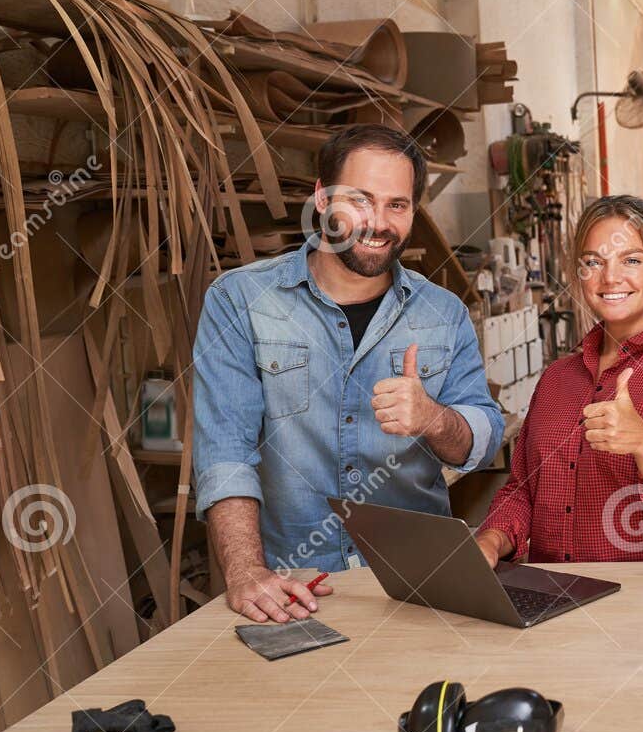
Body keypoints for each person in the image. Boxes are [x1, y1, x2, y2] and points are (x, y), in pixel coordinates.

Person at [193, 124, 503, 623]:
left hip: (419, 585)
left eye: (397, 205)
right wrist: (246, 571)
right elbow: (224, 450)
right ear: (320, 197)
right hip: (294, 586)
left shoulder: (443, 312)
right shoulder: (241, 301)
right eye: (360, 200)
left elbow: (482, 441)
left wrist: (432, 418)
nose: (377, 222)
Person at [475, 196, 643, 565]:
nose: (610, 278)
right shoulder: (556, 378)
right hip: (550, 599)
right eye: (594, 262)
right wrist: (492, 540)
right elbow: (522, 489)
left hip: (637, 609)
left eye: (631, 260)